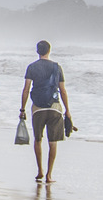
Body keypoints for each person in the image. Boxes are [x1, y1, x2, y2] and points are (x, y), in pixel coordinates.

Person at [19, 40, 72, 183]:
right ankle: (49, 175)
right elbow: (62, 90)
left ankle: (40, 171)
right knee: (53, 141)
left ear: (37, 51)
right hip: (54, 107)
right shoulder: (57, 67)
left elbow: (26, 90)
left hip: (38, 108)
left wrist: (22, 109)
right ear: (49, 50)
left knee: (38, 139)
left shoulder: (31, 67)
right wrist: (67, 110)